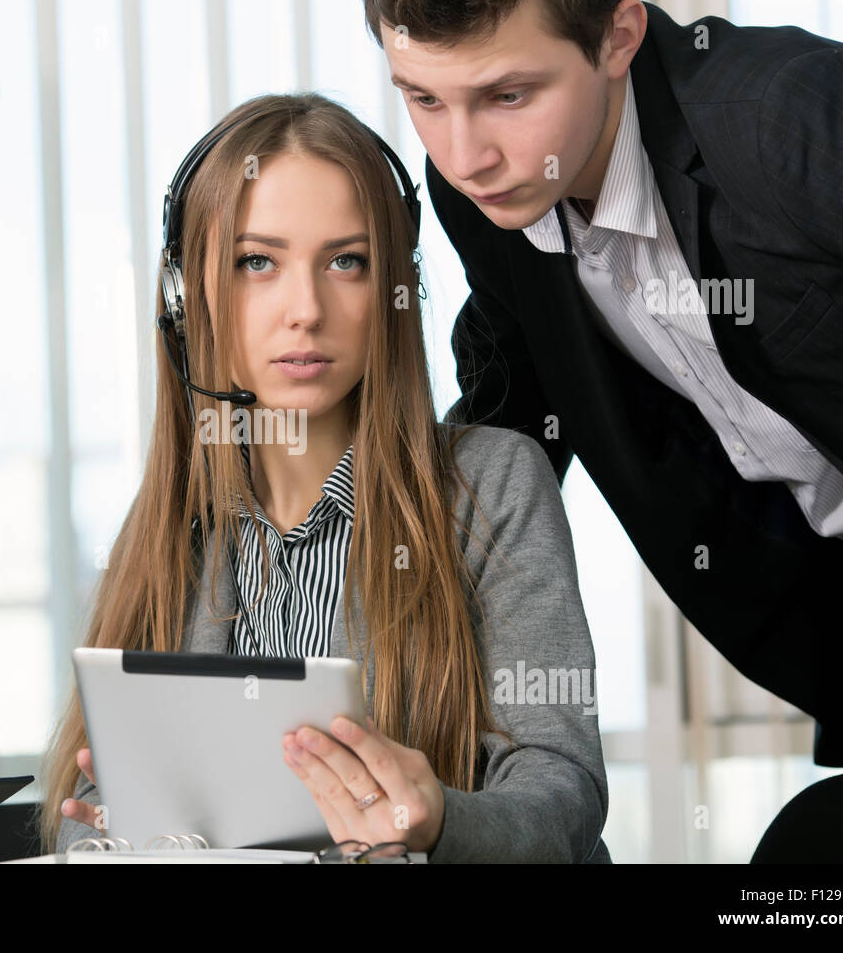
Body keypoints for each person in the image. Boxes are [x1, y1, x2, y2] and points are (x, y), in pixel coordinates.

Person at [363, 0, 843, 828]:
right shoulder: (486, 197)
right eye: (425, 99)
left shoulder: (787, 113)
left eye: (509, 96)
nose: (465, 155)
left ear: (618, 36)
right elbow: (509, 415)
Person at [40, 92, 611, 862]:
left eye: (347, 262)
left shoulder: (493, 483)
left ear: (393, 290)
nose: (305, 309)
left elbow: (562, 790)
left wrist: (439, 822)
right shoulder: (169, 521)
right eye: (257, 262)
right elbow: (92, 798)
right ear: (186, 296)